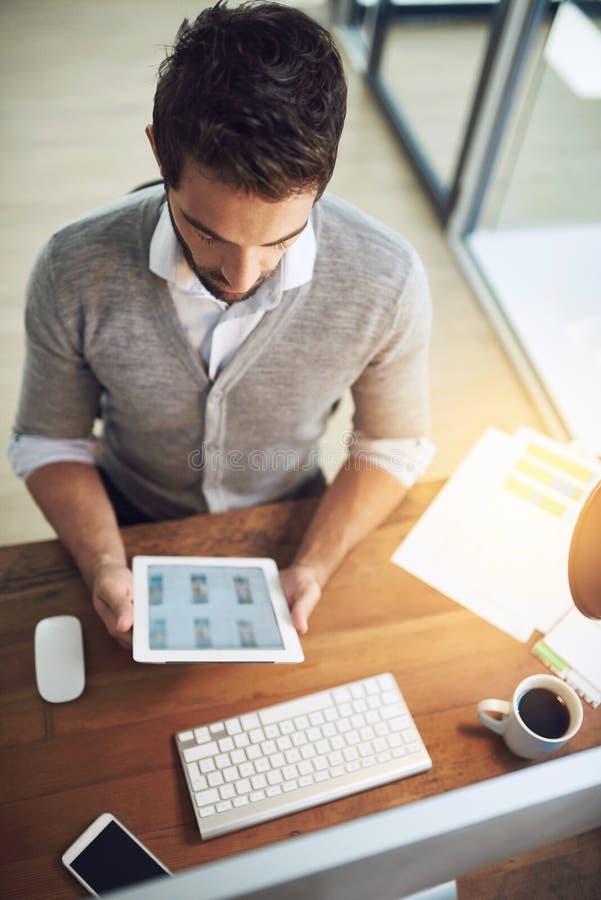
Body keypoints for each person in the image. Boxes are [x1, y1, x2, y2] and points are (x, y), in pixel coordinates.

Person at [9, 1, 434, 648]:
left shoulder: (388, 278)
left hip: (296, 515)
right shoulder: (72, 267)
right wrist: (102, 561)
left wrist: (315, 562)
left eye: (279, 241)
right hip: (126, 514)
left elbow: (390, 446)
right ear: (158, 151)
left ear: (323, 177)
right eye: (207, 233)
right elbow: (52, 440)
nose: (240, 276)